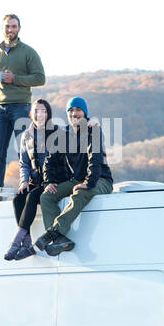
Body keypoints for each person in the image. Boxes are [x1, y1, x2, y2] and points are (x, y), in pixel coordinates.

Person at [37, 96, 113, 256]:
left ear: (84, 113)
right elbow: (49, 160)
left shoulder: (94, 130)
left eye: (78, 110)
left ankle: (53, 232)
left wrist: (90, 182)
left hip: (100, 180)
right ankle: (61, 240)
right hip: (77, 180)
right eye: (70, 110)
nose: (74, 113)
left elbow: (96, 157)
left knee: (80, 193)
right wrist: (48, 181)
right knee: (46, 197)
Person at [0, 13, 46, 201]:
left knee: (25, 148)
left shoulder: (28, 52)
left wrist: (15, 79)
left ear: (19, 28)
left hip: (21, 106)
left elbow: (40, 78)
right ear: (2, 28)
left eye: (14, 26)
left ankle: (31, 184)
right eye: (7, 26)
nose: (10, 30)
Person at [4, 98, 57, 260]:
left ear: (48, 114)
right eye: (36, 110)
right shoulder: (26, 135)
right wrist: (24, 181)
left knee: (33, 197)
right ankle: (27, 244)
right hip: (35, 180)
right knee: (18, 198)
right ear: (31, 114)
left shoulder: (56, 132)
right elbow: (24, 163)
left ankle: (16, 241)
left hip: (52, 180)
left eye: (43, 111)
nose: (39, 114)